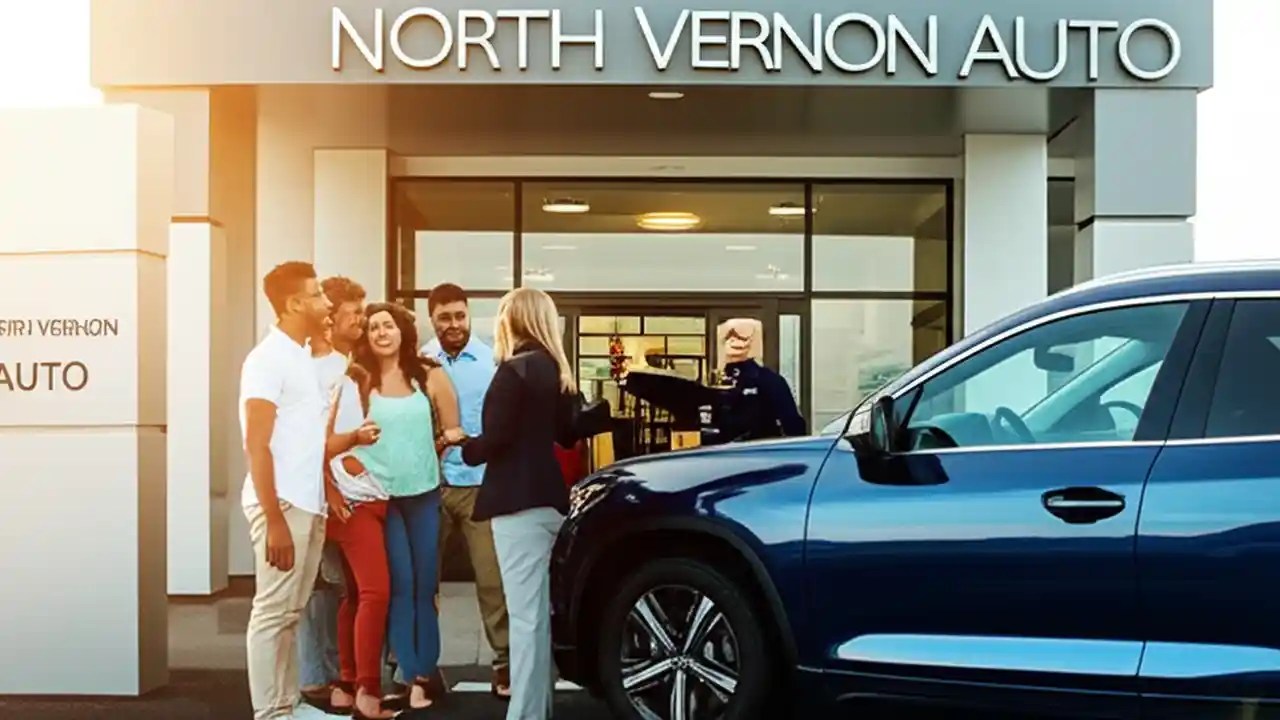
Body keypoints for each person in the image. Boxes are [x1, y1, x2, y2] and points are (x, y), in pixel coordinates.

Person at [454, 287, 580, 720]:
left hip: (514, 503)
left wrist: (463, 445)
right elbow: (568, 434)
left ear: (514, 320)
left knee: (524, 618)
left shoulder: (513, 372)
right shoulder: (557, 371)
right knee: (539, 617)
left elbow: (496, 441)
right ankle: (538, 707)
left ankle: (526, 714)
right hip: (549, 502)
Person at [240, 261, 343, 720]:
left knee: (291, 613)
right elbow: (255, 444)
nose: (328, 302)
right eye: (319, 294)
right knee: (271, 612)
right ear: (294, 303)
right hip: (281, 505)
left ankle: (288, 704)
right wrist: (275, 518)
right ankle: (270, 712)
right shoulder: (266, 360)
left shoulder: (299, 354)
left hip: (307, 503)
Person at [350, 302, 465, 711]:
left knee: (424, 587)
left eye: (387, 325)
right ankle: (412, 671)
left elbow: (454, 428)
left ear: (401, 331)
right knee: (399, 586)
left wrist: (431, 448)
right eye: (373, 328)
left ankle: (423, 675)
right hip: (381, 498)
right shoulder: (359, 379)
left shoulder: (428, 373)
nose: (381, 333)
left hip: (424, 493)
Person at [420, 282, 512, 699]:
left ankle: (505, 665)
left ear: (469, 314)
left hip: (481, 485)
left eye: (460, 315)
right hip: (429, 487)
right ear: (432, 319)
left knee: (493, 582)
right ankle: (418, 668)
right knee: (422, 582)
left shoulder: (493, 360)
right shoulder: (417, 361)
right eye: (445, 317)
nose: (454, 324)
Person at [300, 277, 367, 713]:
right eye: (354, 313)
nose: (362, 321)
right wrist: (329, 487)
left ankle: (327, 676)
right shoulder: (316, 369)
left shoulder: (349, 365)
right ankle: (315, 679)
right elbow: (311, 439)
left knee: (337, 588)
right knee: (323, 590)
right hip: (319, 496)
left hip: (345, 492)